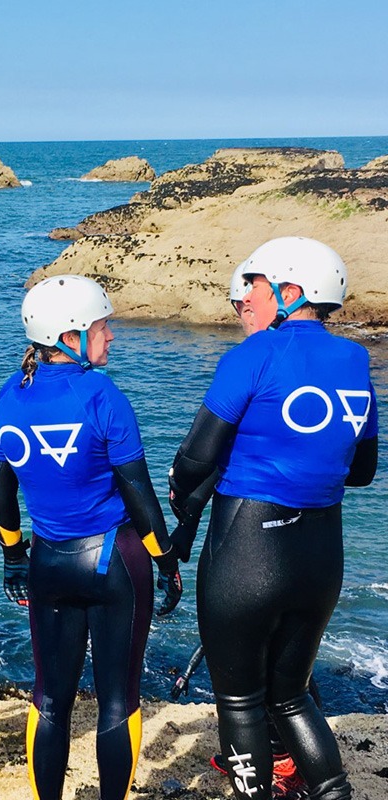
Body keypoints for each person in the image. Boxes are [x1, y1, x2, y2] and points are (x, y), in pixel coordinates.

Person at [169, 237, 378, 800]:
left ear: (290, 293)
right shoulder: (356, 360)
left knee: (239, 700)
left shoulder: (252, 356)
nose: (247, 297)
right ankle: (333, 792)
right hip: (320, 555)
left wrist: (179, 497)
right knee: (291, 695)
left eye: (256, 286)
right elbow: (362, 470)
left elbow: (193, 461)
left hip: (247, 548)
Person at [0, 274, 182, 800]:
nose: (112, 335)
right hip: (114, 561)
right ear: (71, 337)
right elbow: (139, 494)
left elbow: (1, 494)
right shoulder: (103, 395)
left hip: (48, 562)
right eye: (103, 326)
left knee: (50, 699)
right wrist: (166, 562)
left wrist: (12, 556)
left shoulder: (9, 396)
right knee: (118, 699)